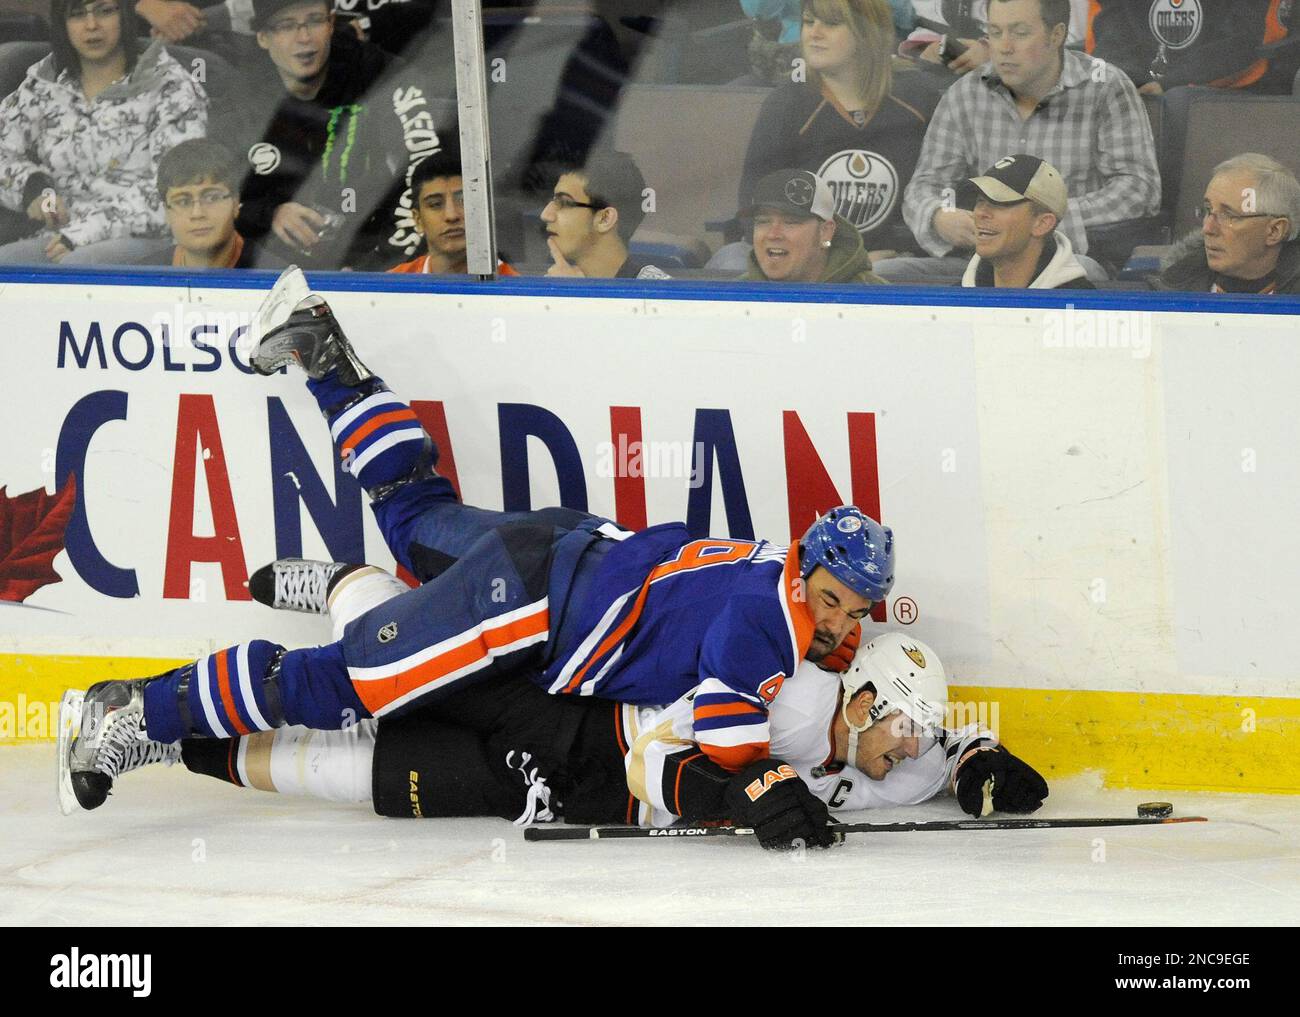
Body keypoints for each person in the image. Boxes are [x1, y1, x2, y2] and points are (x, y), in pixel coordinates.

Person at [60, 266, 898, 845]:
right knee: (341, 682)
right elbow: (723, 740)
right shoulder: (770, 619)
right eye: (832, 599)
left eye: (855, 610)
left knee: (417, 511)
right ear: (808, 571)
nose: (839, 622)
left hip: (565, 548)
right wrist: (764, 787)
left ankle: (320, 350)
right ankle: (136, 712)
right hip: (526, 607)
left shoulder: (766, 565)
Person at [70, 557, 1049, 847]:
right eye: (905, 726)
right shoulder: (784, 687)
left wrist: (977, 766)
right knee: (370, 684)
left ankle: (168, 747)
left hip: (564, 791)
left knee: (348, 777)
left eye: (917, 736)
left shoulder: (898, 750)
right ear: (865, 696)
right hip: (568, 722)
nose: (907, 750)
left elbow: (944, 754)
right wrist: (735, 800)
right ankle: (344, 580)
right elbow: (664, 756)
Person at [882, 0, 1159, 284]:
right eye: (995, 32)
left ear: (1057, 34)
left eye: (1020, 33)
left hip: (1069, 259)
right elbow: (924, 187)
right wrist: (939, 215)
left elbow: (1139, 188)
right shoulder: (964, 94)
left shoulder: (1105, 87)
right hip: (978, 262)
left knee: (1080, 273)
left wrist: (1043, 220)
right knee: (882, 277)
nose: (1004, 47)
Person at [225, 0, 441, 270]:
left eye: (314, 21)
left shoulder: (386, 77)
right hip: (274, 264)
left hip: (374, 256)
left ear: (331, 23)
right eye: (287, 26)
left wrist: (374, 269)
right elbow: (216, 197)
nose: (304, 38)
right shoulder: (239, 94)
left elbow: (429, 181)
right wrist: (271, 214)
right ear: (263, 38)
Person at [0, 0, 208, 265]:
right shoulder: (44, 84)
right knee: (5, 265)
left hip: (148, 235)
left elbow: (176, 189)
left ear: (125, 17)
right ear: (63, 25)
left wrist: (83, 234)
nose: (91, 25)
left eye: (104, 10)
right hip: (61, 237)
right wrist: (32, 187)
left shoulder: (172, 86)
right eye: (76, 15)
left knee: (77, 268)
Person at [737, 0, 944, 264]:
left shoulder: (918, 97)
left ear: (868, 31)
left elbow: (938, 191)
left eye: (832, 24)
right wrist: (838, 259)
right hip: (804, 263)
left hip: (894, 262)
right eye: (809, 22)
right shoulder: (785, 104)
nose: (815, 33)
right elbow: (755, 203)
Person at [1155, 153, 1300, 294]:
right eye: (1208, 210)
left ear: (1275, 231)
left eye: (1228, 215)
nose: (1207, 228)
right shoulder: (1171, 289)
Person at [1085, 0, 1294, 96]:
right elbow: (1108, 36)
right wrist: (1130, 79)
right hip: (1146, 84)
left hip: (1241, 87)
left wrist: (1170, 82)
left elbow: (1245, 43)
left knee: (1179, 102)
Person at [138, 138, 286, 268]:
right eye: (183, 201)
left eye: (212, 198)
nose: (198, 213)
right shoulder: (142, 278)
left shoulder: (275, 277)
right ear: (167, 212)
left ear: (235, 204)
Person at [959, 153, 1094, 288]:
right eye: (980, 201)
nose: (980, 213)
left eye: (999, 203)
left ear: (1042, 224)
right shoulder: (954, 300)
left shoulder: (1082, 305)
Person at [540, 148, 671, 279]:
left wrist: (576, 294)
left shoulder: (659, 291)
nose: (545, 214)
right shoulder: (551, 279)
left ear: (605, 218)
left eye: (564, 203)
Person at [739, 168, 886, 283]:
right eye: (762, 222)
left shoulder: (879, 300)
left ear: (825, 232)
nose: (773, 234)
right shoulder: (731, 297)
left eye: (790, 222)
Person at [386, 149, 518, 276]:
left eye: (464, 201)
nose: (452, 215)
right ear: (418, 220)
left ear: (485, 210)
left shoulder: (515, 291)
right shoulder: (392, 287)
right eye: (435, 204)